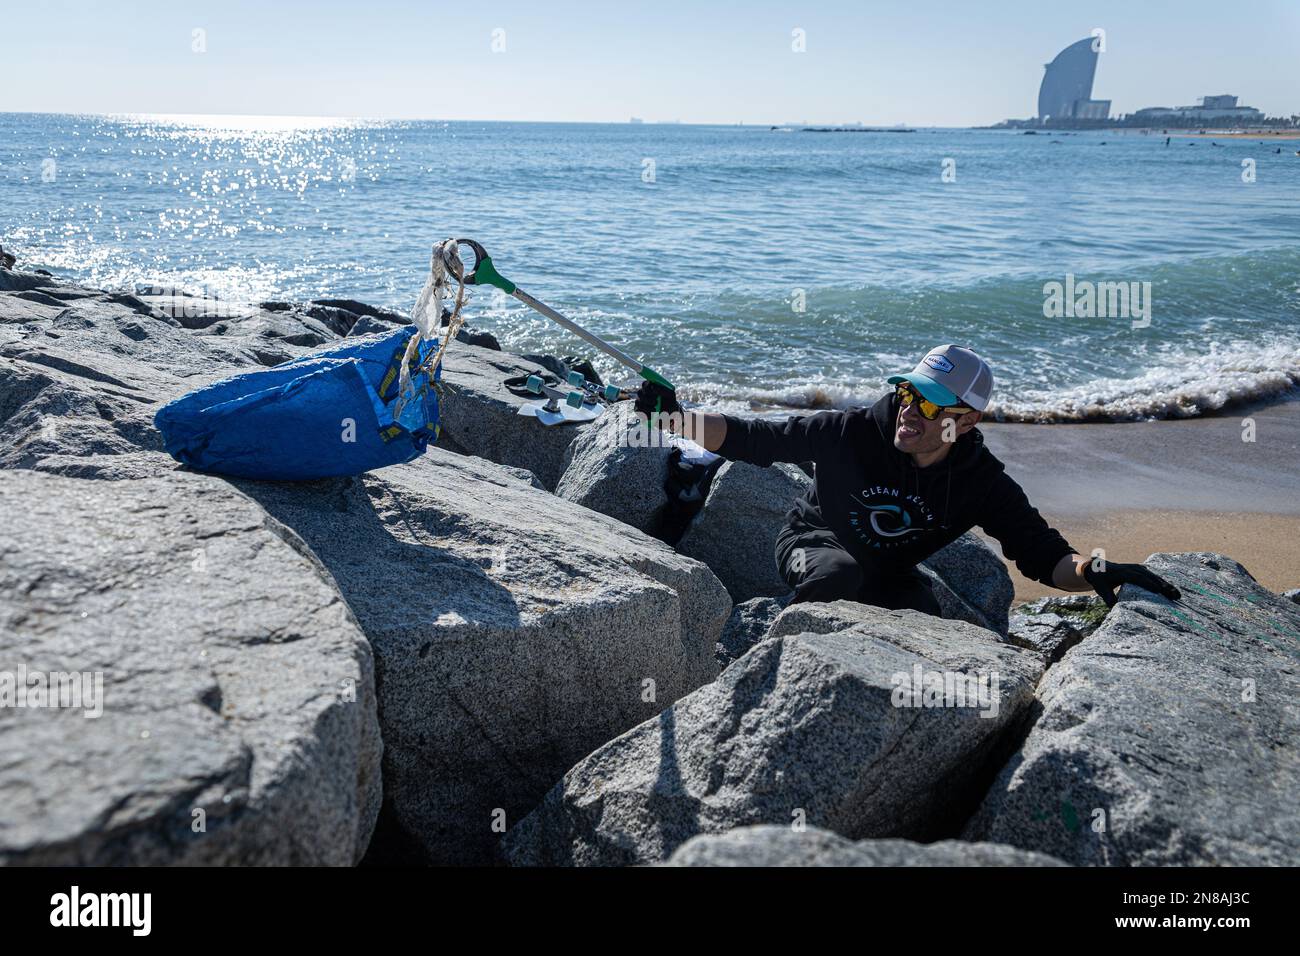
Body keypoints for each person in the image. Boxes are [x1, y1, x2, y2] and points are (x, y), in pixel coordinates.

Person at [636, 344, 1180, 614]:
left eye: (931, 403)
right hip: (812, 543)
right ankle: (784, 653)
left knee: (927, 621)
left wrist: (1097, 571)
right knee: (838, 575)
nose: (910, 411)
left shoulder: (981, 482)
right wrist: (673, 418)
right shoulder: (851, 431)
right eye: (908, 393)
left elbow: (1043, 555)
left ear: (967, 421)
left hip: (889, 570)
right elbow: (753, 437)